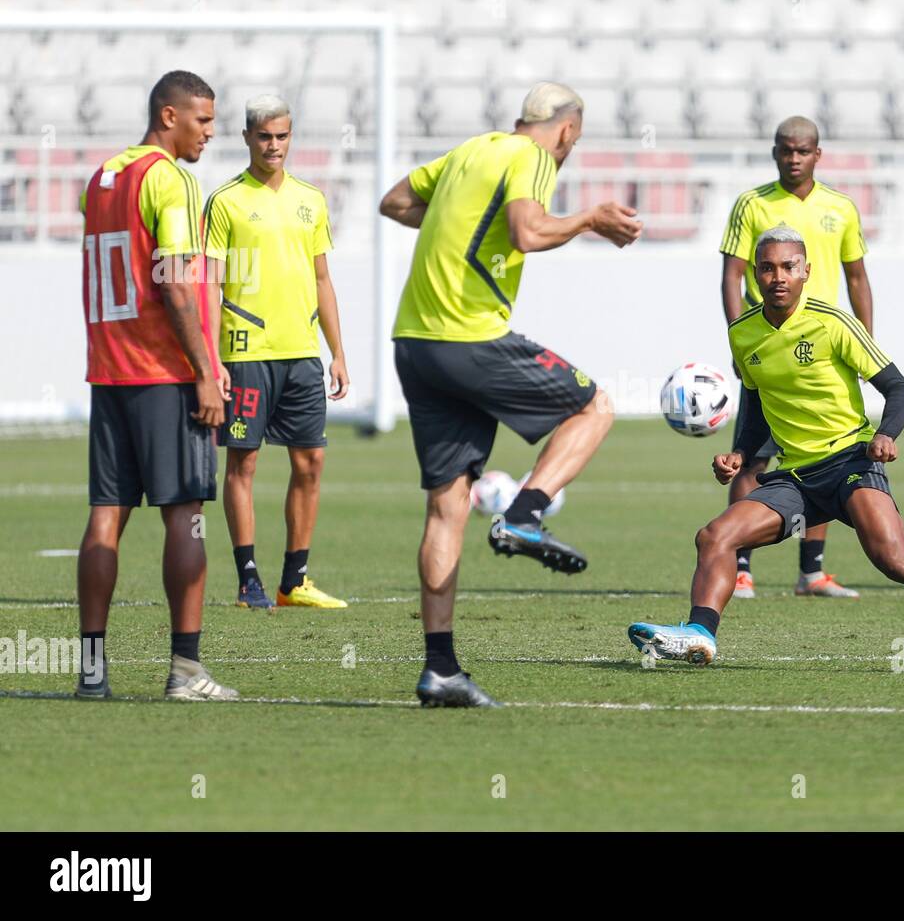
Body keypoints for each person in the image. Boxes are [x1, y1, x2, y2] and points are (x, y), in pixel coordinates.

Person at [628, 226, 904, 677]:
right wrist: (741, 454)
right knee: (715, 536)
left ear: (806, 271)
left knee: (895, 560)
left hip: (849, 462)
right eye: (767, 268)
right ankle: (701, 634)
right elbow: (758, 404)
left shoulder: (834, 322)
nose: (778, 276)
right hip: (796, 479)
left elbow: (900, 390)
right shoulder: (743, 334)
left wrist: (886, 435)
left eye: (788, 267)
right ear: (755, 275)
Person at [378, 82, 643, 707]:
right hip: (469, 337)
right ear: (569, 131)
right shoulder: (532, 159)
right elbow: (528, 232)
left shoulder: (471, 151)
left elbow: (394, 203)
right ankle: (524, 517)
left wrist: (460, 222)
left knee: (448, 506)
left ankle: (440, 669)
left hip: (415, 341)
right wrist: (589, 219)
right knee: (594, 405)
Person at [76, 70, 238, 700]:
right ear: (168, 117)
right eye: (202, 120)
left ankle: (92, 670)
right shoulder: (169, 179)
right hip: (163, 373)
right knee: (187, 517)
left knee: (105, 518)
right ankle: (186, 670)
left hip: (109, 370)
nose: (210, 132)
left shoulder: (103, 176)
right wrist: (205, 370)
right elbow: (173, 281)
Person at [204, 94, 350, 611]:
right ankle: (248, 581)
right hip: (245, 353)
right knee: (243, 464)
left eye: (282, 136)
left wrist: (337, 352)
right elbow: (208, 285)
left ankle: (295, 581)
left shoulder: (311, 199)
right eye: (264, 136)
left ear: (292, 137)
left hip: (301, 354)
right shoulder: (225, 202)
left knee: (310, 462)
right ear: (246, 138)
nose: (273, 145)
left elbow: (322, 278)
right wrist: (210, 358)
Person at [719, 116, 873, 600]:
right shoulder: (752, 204)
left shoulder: (841, 208)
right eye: (785, 150)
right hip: (769, 347)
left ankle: (812, 573)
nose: (793, 159)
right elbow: (731, 274)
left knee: (824, 457)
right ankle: (741, 567)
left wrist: (865, 341)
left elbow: (857, 278)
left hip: (825, 349)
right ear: (774, 153)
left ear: (817, 154)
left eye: (802, 151)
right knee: (752, 455)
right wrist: (739, 339)